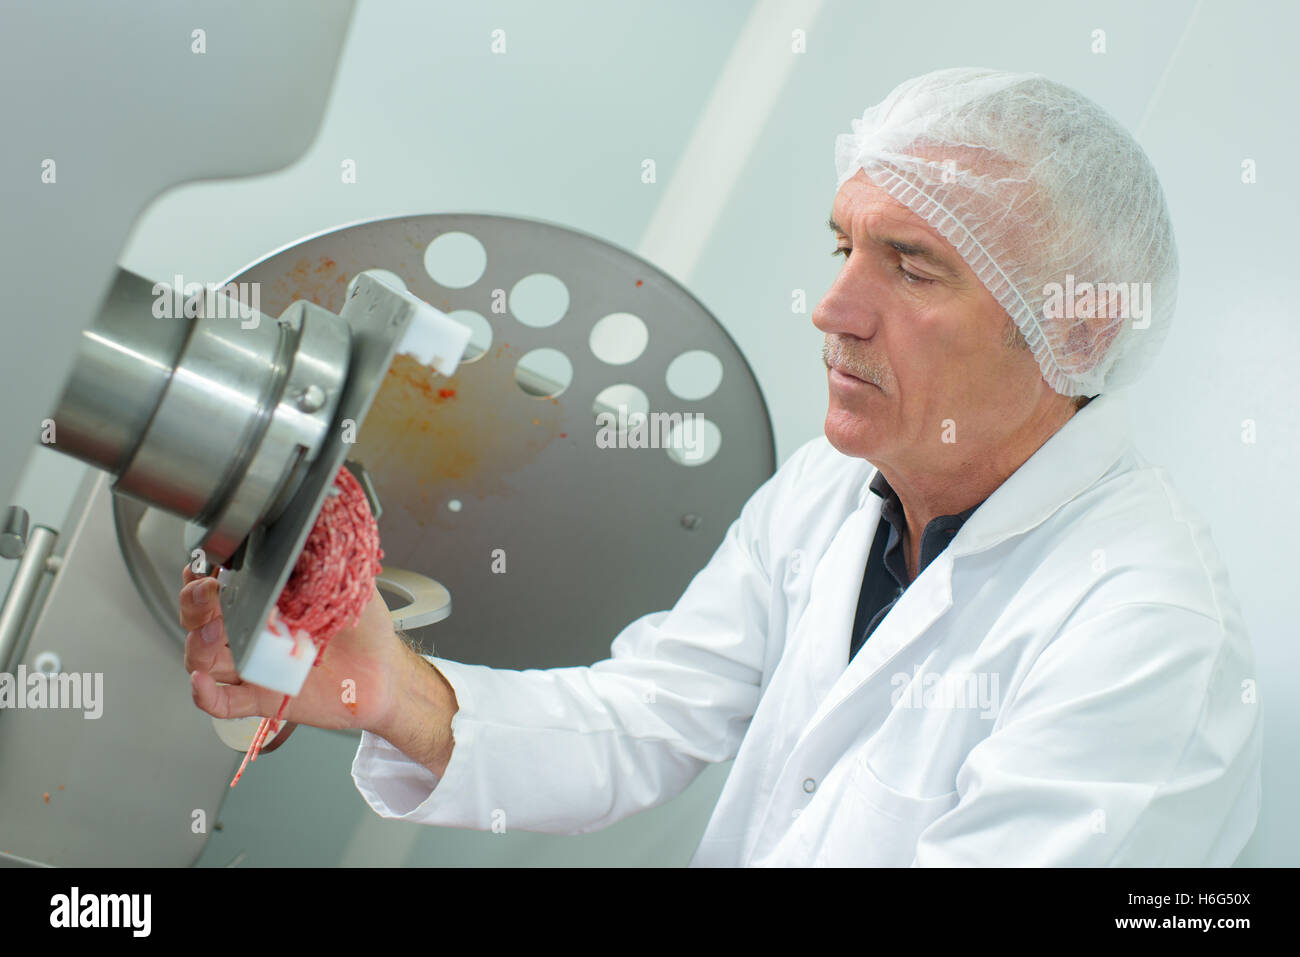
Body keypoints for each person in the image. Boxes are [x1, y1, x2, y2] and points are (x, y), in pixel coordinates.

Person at [181, 68, 1261, 866]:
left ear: (1067, 333)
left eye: (913, 267)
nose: (833, 310)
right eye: (844, 247)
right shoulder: (833, 492)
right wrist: (386, 688)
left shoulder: (1147, 641)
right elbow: (651, 715)